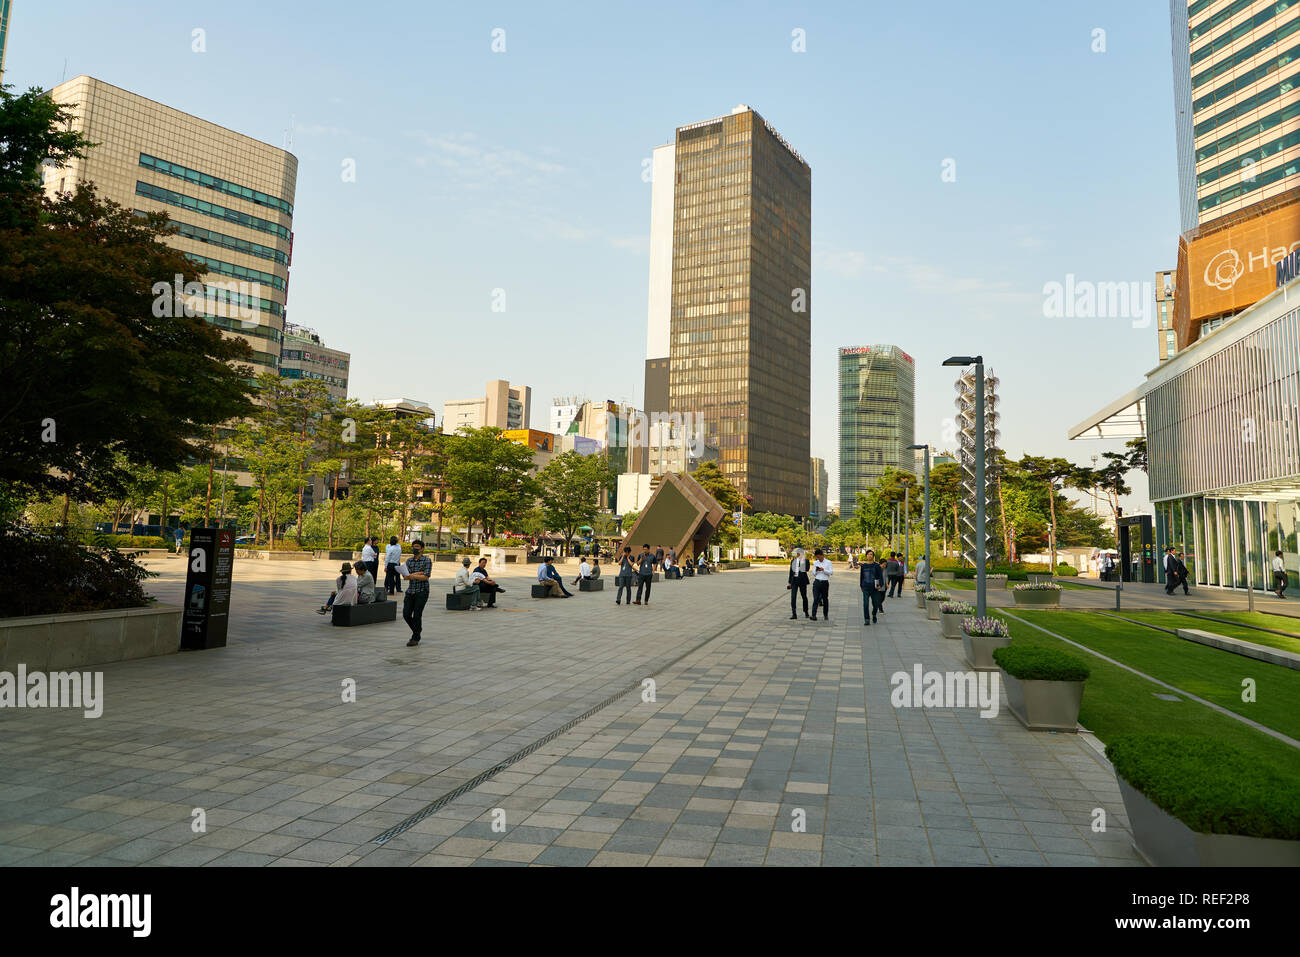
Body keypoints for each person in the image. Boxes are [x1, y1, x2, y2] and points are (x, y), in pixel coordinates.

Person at [400, 539, 432, 646]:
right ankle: (417, 629)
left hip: (422, 591)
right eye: (413, 547)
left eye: (417, 547)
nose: (415, 549)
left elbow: (426, 576)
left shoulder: (427, 560)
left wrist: (413, 575)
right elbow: (405, 576)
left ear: (422, 549)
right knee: (406, 614)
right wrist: (418, 573)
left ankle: (415, 637)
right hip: (411, 591)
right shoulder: (409, 561)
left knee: (417, 615)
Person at [859, 548, 885, 625]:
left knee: (876, 604)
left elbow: (880, 576)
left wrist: (880, 585)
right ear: (866, 556)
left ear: (873, 556)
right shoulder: (863, 566)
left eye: (871, 554)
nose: (870, 556)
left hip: (875, 588)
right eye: (868, 554)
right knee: (866, 604)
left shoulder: (876, 566)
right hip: (866, 587)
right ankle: (867, 619)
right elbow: (862, 577)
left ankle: (874, 614)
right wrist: (861, 585)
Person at [788, 546, 810, 620]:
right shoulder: (793, 561)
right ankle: (794, 614)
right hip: (794, 581)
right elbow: (791, 572)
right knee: (793, 597)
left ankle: (806, 612)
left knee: (804, 596)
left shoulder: (806, 561)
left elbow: (807, 569)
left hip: (802, 581)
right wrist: (789, 582)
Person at [811, 548, 832, 621]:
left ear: (822, 555)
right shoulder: (816, 563)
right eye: (817, 557)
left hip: (824, 582)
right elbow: (813, 573)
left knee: (825, 599)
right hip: (817, 582)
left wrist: (824, 570)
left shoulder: (828, 562)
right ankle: (813, 615)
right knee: (815, 598)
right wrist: (816, 570)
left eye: (819, 557)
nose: (818, 559)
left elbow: (831, 572)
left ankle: (825, 614)